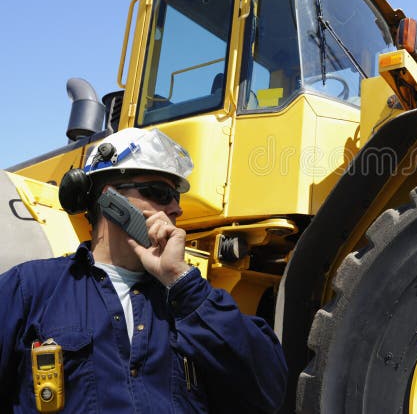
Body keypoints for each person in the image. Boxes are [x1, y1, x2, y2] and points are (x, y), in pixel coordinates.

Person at [0, 128, 287, 412]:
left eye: (177, 196)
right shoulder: (29, 290)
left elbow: (268, 394)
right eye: (159, 192)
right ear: (111, 200)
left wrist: (180, 282)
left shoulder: (194, 303)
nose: (176, 208)